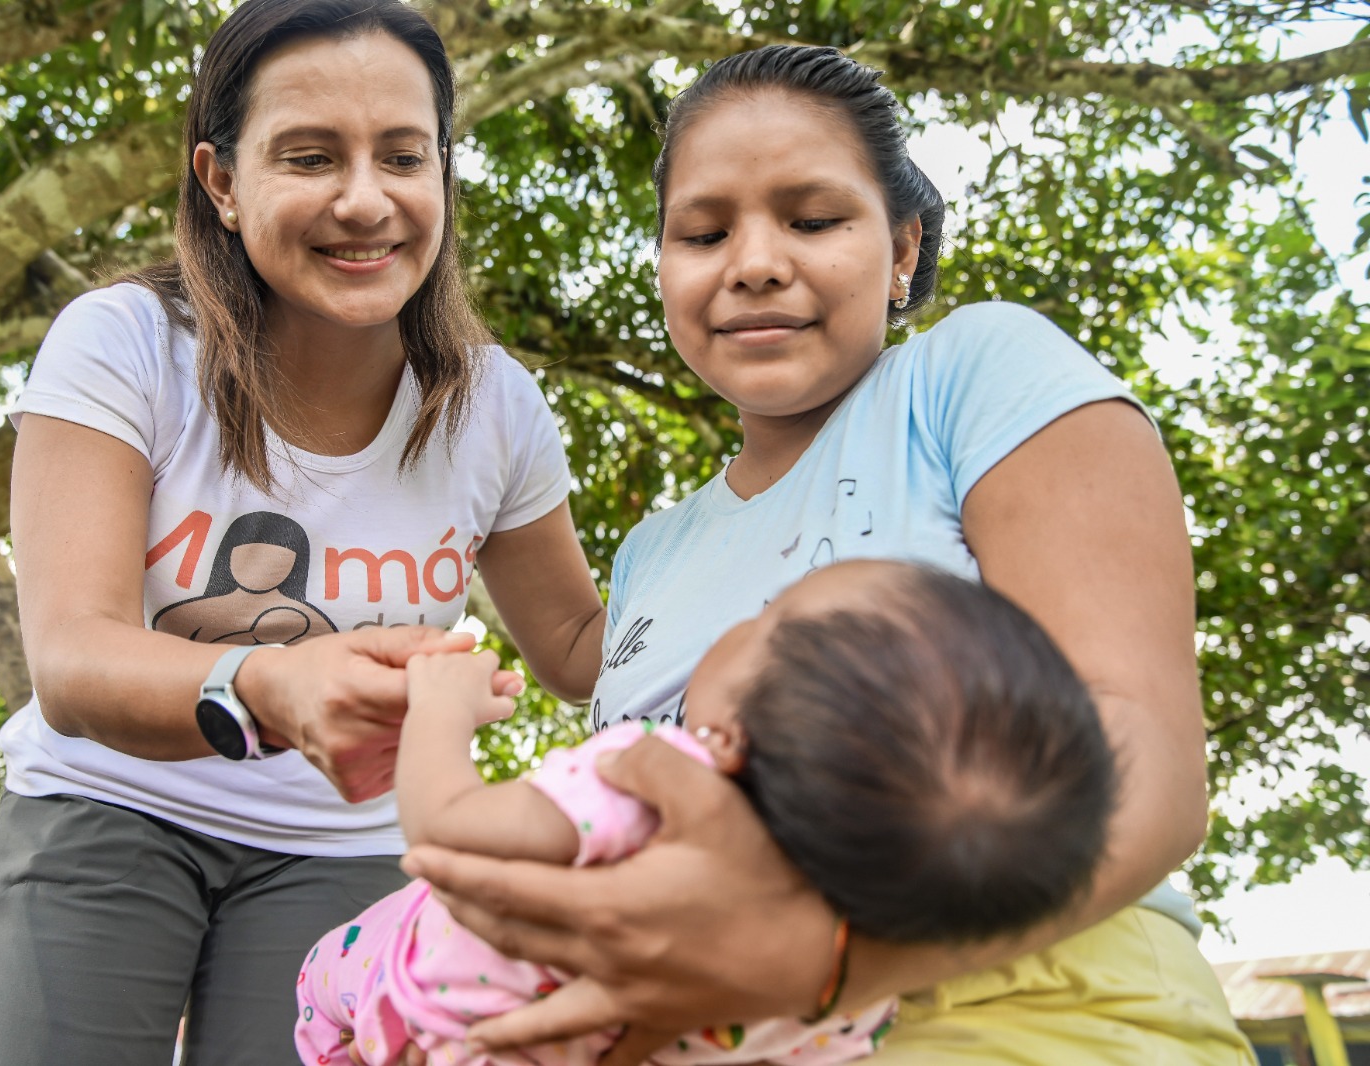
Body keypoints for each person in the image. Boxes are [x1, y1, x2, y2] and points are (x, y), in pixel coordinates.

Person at [403, 44, 1258, 1066]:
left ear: (902, 250)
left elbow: (1147, 760)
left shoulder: (972, 374)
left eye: (812, 220)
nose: (754, 262)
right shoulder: (650, 551)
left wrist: (821, 961)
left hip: (1026, 993)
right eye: (703, 233)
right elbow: (560, 648)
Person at [0, 1, 605, 1064]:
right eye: (310, 157)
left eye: (402, 156)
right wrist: (269, 684)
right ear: (221, 181)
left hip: (344, 851)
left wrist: (776, 542)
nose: (365, 200)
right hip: (107, 805)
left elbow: (583, 652)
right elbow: (71, 659)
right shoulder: (124, 344)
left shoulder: (495, 405)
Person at [296, 559, 1117, 1066]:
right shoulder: (856, 1002)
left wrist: (441, 706)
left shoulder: (646, 785)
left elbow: (445, 837)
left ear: (726, 736)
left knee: (326, 975)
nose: (743, 620)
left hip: (405, 1009)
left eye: (766, 618)